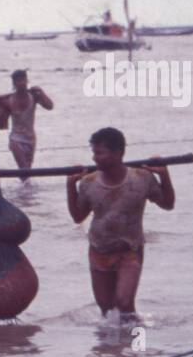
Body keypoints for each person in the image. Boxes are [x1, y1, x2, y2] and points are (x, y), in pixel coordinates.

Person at [66, 127, 175, 321]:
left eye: (100, 153)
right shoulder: (88, 183)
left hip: (130, 249)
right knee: (107, 311)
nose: (94, 158)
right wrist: (70, 186)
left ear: (118, 153)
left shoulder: (141, 178)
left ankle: (132, 345)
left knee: (124, 303)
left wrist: (164, 175)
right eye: (93, 152)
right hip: (98, 249)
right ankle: (113, 349)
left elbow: (168, 204)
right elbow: (77, 217)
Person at [0, 69, 54, 173]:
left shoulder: (34, 96)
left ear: (27, 80)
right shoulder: (9, 100)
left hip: (30, 138)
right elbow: (0, 119)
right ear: (14, 83)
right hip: (16, 139)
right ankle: (26, 189)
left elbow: (50, 106)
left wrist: (41, 91)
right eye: (19, 81)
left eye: (23, 80)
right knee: (24, 170)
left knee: (27, 172)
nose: (22, 83)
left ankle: (24, 190)